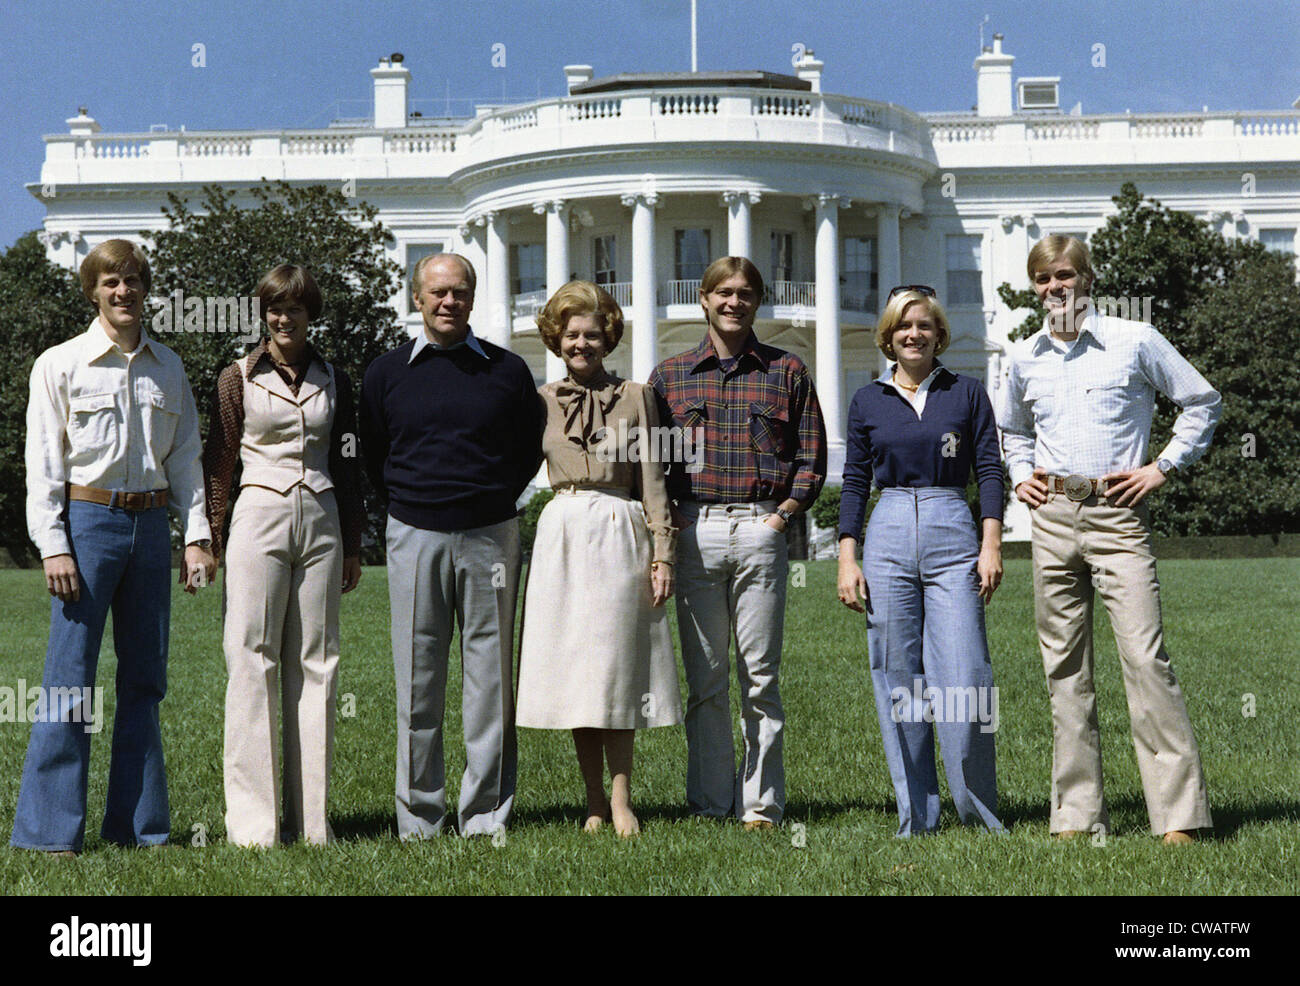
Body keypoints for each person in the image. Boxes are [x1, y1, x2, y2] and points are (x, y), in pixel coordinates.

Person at [997, 234, 1219, 845]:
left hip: (1118, 517)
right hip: (1052, 522)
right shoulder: (1023, 356)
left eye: (1064, 275)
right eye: (1043, 279)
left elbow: (1202, 402)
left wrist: (1161, 468)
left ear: (1088, 279)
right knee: (1064, 667)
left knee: (1146, 660)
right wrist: (1021, 477)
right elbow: (1010, 430)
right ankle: (1076, 816)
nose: (1054, 288)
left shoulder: (1134, 341)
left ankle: (1178, 818)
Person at [13, 238, 215, 856]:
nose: (122, 291)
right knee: (69, 678)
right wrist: (54, 546)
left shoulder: (168, 367)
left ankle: (138, 829)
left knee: (145, 681)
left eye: (131, 280)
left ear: (145, 288)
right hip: (86, 526)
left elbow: (185, 459)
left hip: (152, 529)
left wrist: (198, 537)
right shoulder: (61, 363)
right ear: (93, 291)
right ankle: (50, 834)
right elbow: (43, 461)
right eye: (109, 282)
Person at [359, 253, 543, 839]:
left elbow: (528, 448)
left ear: (472, 298)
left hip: (492, 537)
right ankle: (419, 817)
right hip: (414, 534)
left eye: (459, 292)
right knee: (418, 679)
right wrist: (414, 504)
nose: (448, 302)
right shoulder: (385, 373)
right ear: (417, 299)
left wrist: (488, 501)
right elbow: (372, 452)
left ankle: (485, 815)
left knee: (490, 681)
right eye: (437, 292)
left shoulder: (508, 370)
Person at [649, 256, 826, 830]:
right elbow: (652, 462)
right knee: (704, 677)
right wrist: (669, 520)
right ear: (703, 299)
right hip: (695, 530)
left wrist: (783, 517)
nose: (733, 302)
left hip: (759, 526)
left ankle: (761, 805)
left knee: (760, 676)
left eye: (744, 293)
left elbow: (811, 456)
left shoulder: (787, 371)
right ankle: (708, 801)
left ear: (757, 301)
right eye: (722, 292)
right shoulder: (669, 376)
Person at [203, 264, 364, 847]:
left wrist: (353, 538)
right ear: (263, 312)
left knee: (317, 663)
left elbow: (346, 462)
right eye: (274, 307)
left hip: (321, 518)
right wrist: (209, 540)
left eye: (294, 308)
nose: (283, 317)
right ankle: (254, 826)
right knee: (251, 657)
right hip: (257, 517)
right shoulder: (236, 377)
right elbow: (219, 463)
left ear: (309, 312)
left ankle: (313, 824)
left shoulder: (335, 377)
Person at [516, 282, 682, 838]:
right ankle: (589, 800)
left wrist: (663, 554)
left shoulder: (637, 396)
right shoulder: (537, 401)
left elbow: (654, 480)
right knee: (575, 672)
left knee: (614, 669)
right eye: (571, 334)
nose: (581, 344)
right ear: (556, 339)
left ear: (608, 337)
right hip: (561, 529)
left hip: (620, 527)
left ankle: (620, 799)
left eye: (591, 334)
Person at [836, 286, 1004, 837]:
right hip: (886, 533)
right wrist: (847, 557)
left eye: (925, 325)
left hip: (951, 522)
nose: (914, 334)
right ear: (888, 335)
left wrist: (991, 544)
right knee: (898, 677)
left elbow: (989, 469)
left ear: (938, 334)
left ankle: (978, 812)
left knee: (967, 673)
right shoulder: (868, 400)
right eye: (904, 326)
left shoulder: (967, 393)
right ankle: (918, 815)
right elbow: (856, 482)